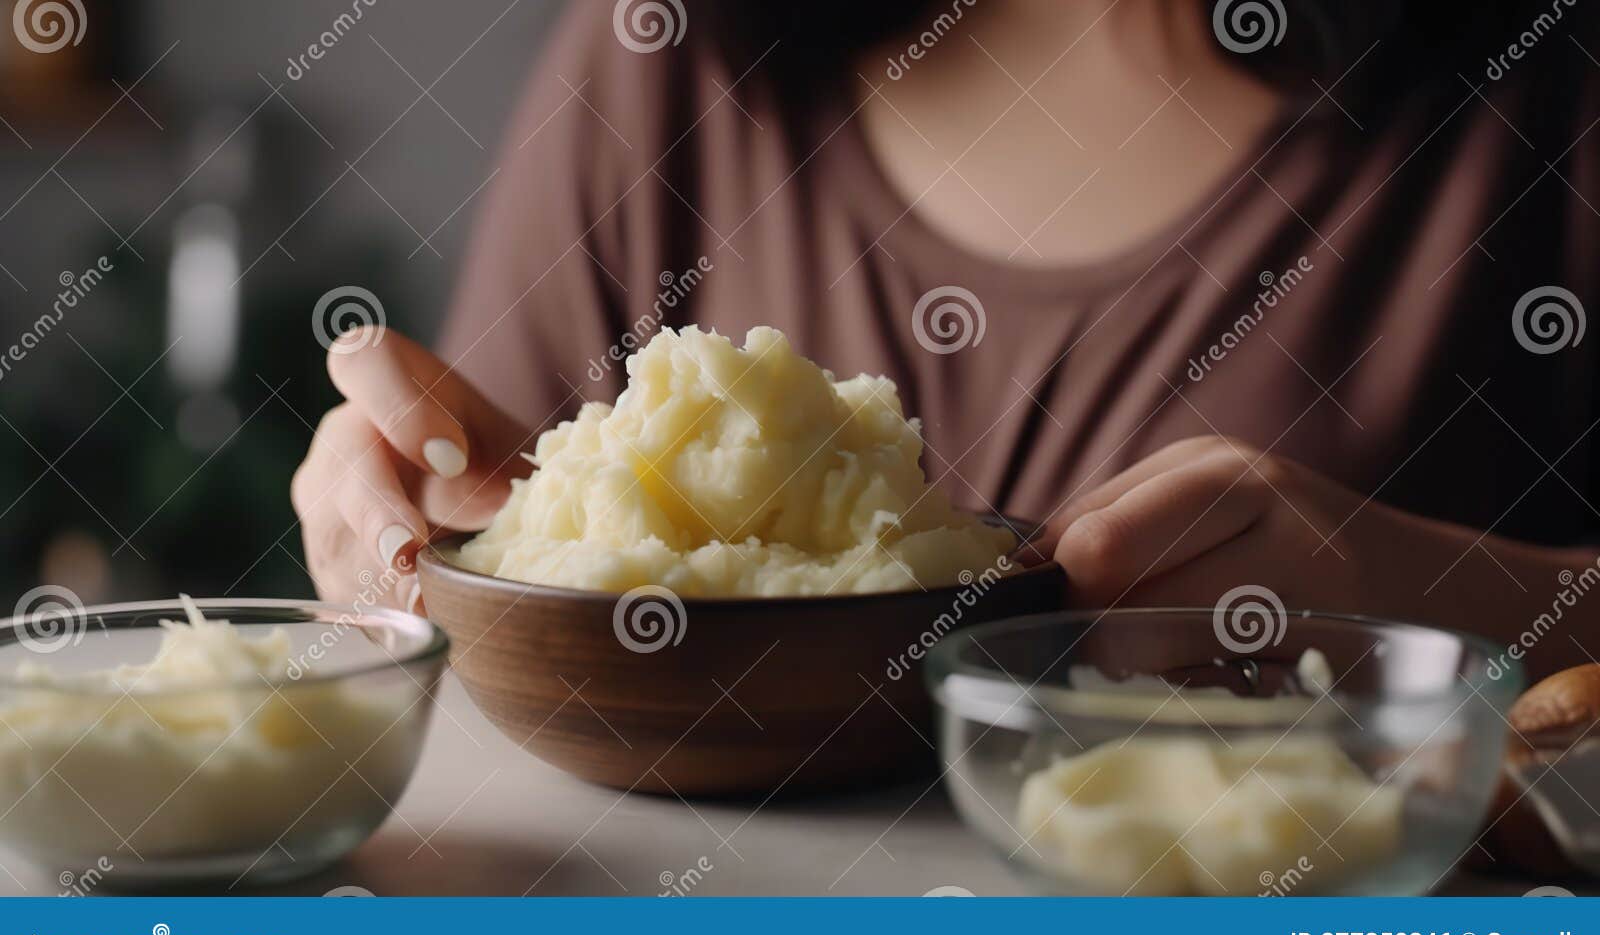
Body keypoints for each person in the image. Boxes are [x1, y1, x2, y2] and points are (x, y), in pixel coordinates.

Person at [291, 0, 1600, 681]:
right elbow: (479, 547)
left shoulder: (1544, 86)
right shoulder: (664, 48)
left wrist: (1449, 603)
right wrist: (399, 520)